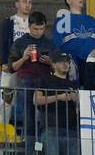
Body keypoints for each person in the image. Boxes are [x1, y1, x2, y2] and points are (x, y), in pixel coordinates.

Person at [6, 12, 57, 143]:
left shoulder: (50, 44)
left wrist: (50, 62)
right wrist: (24, 57)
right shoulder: (20, 43)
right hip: (25, 82)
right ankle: (29, 150)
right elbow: (11, 68)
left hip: (44, 83)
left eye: (41, 29)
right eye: (35, 29)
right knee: (28, 116)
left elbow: (59, 69)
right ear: (29, 26)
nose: (38, 32)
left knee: (43, 118)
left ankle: (40, 149)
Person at [34, 54, 81, 155]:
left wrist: (76, 99)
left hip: (71, 128)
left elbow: (80, 106)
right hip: (50, 127)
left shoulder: (73, 84)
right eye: (61, 62)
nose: (65, 64)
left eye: (67, 62)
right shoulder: (45, 80)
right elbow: (37, 100)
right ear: (54, 65)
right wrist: (58, 97)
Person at [55, 0, 95, 79]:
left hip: (91, 63)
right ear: (68, 1)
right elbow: (57, 43)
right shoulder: (63, 20)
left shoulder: (92, 20)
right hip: (71, 63)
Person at [0, 0, 34, 89]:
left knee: (25, 96)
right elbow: (2, 44)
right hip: (11, 64)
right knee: (6, 97)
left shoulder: (34, 23)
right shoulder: (9, 22)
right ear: (17, 4)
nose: (27, 5)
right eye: (24, 2)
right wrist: (3, 62)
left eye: (30, 2)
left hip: (28, 67)